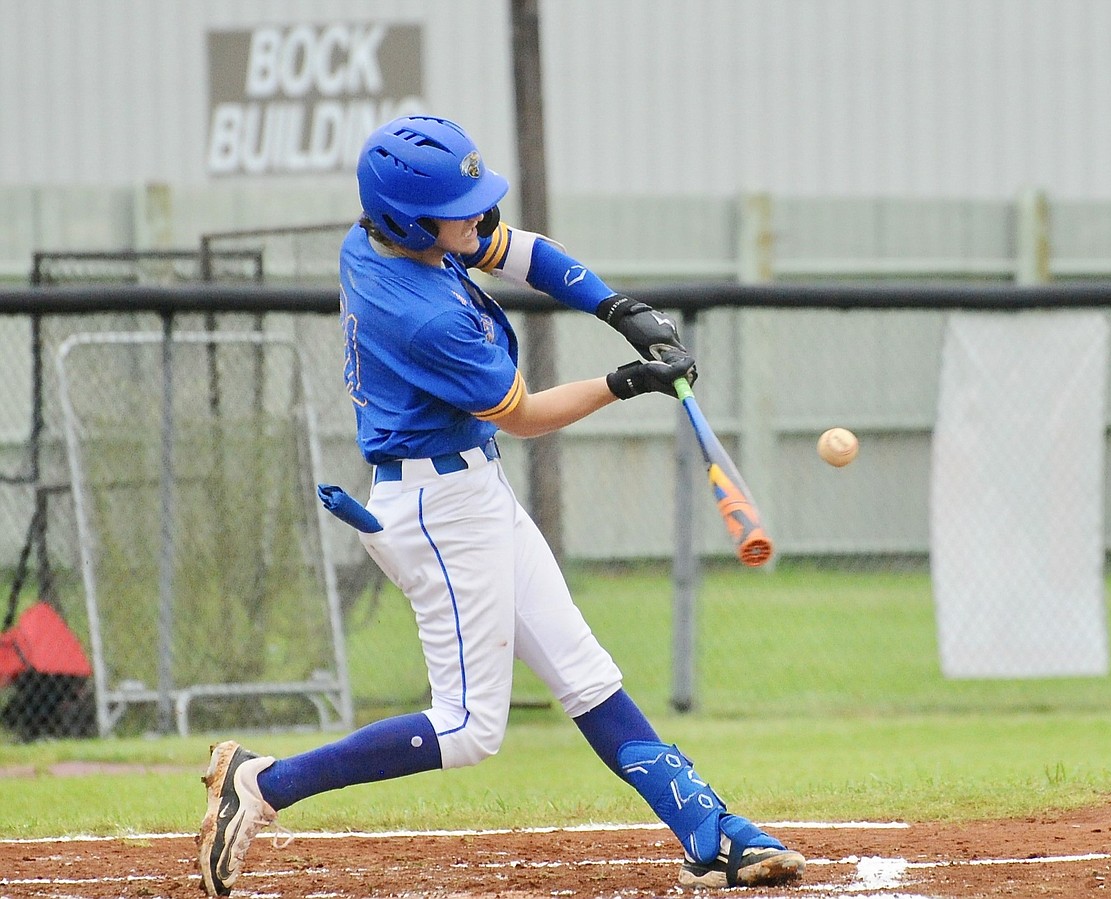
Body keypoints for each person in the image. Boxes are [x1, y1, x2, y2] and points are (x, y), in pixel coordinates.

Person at [196, 114, 805, 894]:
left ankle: (708, 830)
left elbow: (520, 251)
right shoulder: (426, 316)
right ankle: (262, 783)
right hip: (438, 510)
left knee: (584, 672)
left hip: (471, 490)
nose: (478, 217)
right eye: (459, 208)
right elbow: (523, 415)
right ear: (410, 221)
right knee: (468, 727)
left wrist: (617, 309)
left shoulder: (385, 238)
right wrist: (627, 382)